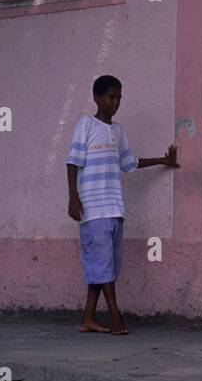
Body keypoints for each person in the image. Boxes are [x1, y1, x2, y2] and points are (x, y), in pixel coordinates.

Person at [66, 75, 178, 335]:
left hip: (114, 207)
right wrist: (73, 197)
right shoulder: (85, 125)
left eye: (118, 98)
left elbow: (130, 163)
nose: (115, 103)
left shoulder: (118, 131)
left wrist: (164, 160)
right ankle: (117, 317)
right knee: (103, 264)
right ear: (97, 98)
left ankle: (88, 319)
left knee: (106, 265)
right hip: (92, 210)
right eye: (110, 97)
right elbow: (72, 162)